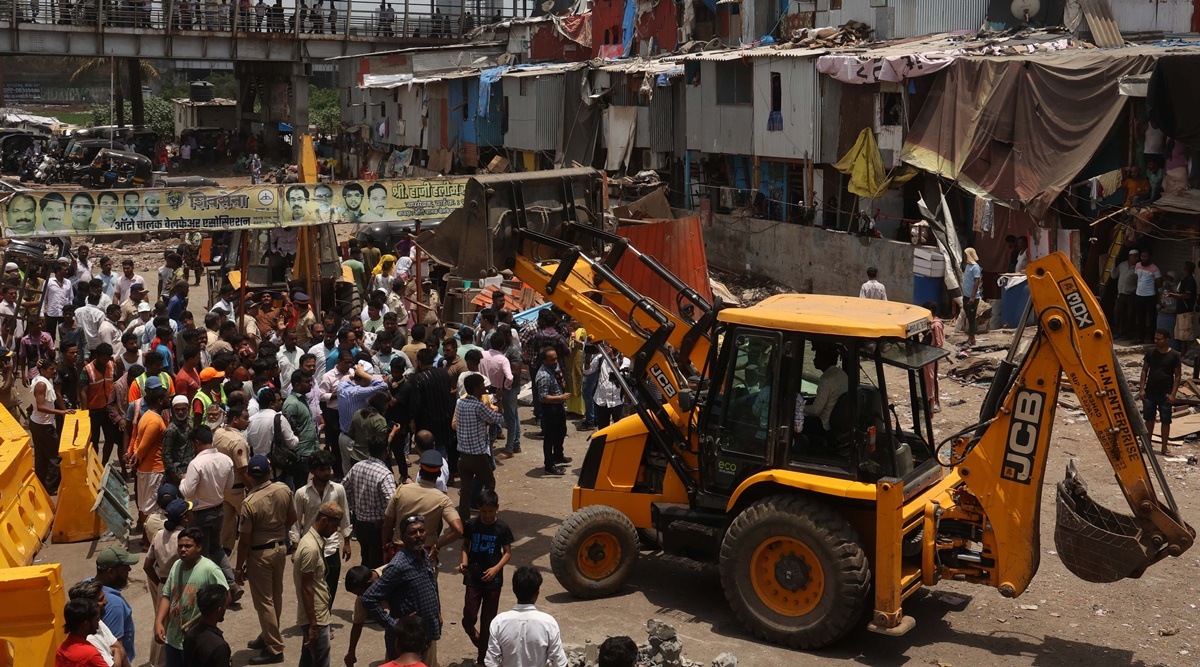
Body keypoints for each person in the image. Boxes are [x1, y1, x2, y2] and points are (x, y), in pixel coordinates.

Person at [236, 455, 295, 664]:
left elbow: (244, 541)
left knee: (264, 602)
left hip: (260, 554)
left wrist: (237, 568)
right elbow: (292, 518)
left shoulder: (249, 502)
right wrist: (278, 530)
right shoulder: (283, 489)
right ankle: (268, 635)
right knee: (275, 596)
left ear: (251, 476)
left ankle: (275, 648)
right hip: (279, 548)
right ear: (269, 472)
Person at [362, 515, 442, 665]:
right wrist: (393, 624)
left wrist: (437, 612)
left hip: (426, 634)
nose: (418, 535)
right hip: (406, 642)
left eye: (421, 531)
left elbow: (432, 585)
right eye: (413, 532)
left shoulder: (424, 556)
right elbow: (368, 598)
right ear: (402, 537)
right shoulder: (398, 565)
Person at [155, 528, 229, 667]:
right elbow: (167, 596)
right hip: (172, 638)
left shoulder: (210, 569)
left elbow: (225, 595)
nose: (183, 549)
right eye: (180, 546)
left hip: (194, 640)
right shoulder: (176, 565)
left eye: (188, 546)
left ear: (199, 547)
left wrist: (213, 618)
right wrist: (158, 622)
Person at [181, 424, 240, 593]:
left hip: (200, 514)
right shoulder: (225, 459)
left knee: (201, 554)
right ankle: (232, 585)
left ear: (197, 442)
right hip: (218, 510)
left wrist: (183, 480)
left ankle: (207, 591)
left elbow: (188, 491)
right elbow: (229, 486)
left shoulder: (196, 463)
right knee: (216, 549)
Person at [289, 449, 352, 604]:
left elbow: (345, 517)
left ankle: (325, 619)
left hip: (332, 546)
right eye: (322, 469)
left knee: (330, 587)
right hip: (310, 547)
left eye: (329, 468)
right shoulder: (301, 493)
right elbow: (296, 523)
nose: (327, 472)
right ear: (312, 471)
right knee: (310, 587)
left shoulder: (338, 490)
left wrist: (347, 543)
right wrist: (295, 548)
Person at [460, 490, 513, 666]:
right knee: (469, 614)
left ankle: (483, 660)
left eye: (491, 511)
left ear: (497, 508)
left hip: (493, 580)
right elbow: (465, 546)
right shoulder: (472, 525)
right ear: (479, 510)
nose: (487, 515)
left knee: (488, 621)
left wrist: (496, 569)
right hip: (473, 577)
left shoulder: (503, 528)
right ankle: (472, 633)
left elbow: (507, 553)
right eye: (484, 511)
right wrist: (463, 563)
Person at [382, 449, 463, 554]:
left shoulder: (401, 490)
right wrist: (438, 546)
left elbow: (387, 525)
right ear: (439, 473)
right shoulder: (443, 500)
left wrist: (385, 546)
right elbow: (458, 530)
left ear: (420, 470)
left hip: (399, 550)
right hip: (426, 553)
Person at [293, 501, 344, 667]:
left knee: (308, 661)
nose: (336, 530)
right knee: (321, 661)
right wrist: (314, 625)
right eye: (335, 526)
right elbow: (306, 589)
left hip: (318, 612)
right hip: (316, 617)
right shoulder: (310, 549)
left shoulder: (313, 542)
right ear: (324, 521)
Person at [485, 566, 567, 667]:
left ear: (514, 590)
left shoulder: (499, 622)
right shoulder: (549, 623)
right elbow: (560, 663)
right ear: (537, 592)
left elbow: (491, 663)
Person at [343, 436, 397, 570]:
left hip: (359, 523)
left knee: (366, 558)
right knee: (378, 565)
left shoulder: (357, 467)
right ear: (387, 450)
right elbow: (393, 502)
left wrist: (352, 506)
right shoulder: (385, 475)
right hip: (377, 528)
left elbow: (343, 488)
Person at [456, 373, 503, 519]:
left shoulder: (460, 402)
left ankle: (463, 520)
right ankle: (486, 513)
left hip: (463, 454)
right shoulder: (478, 406)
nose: (485, 386)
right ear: (476, 388)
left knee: (465, 489)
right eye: (482, 384)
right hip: (477, 455)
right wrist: (499, 400)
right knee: (490, 483)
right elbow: (498, 418)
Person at [91, 545, 138, 666]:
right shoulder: (113, 604)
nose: (129, 570)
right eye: (124, 568)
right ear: (111, 572)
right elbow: (115, 647)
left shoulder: (87, 584)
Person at [31, 356, 72, 493]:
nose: (54, 371)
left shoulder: (41, 379)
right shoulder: (41, 384)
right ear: (42, 370)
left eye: (54, 368)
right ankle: (51, 487)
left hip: (39, 423)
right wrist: (61, 411)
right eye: (51, 369)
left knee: (42, 454)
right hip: (43, 425)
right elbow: (40, 406)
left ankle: (41, 483)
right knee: (55, 455)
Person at [1140, 328, 1182, 456]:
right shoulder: (1151, 352)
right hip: (1150, 392)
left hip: (1165, 393)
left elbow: (1178, 376)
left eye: (1159, 339)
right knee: (1149, 419)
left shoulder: (1174, 355)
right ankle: (1146, 445)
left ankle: (1164, 447)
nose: (1156, 341)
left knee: (1165, 420)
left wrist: (1173, 394)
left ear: (1167, 340)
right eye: (1155, 338)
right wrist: (1142, 389)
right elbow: (1144, 371)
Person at [67, 580, 126, 667]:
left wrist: (117, 651)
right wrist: (117, 652)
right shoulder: (89, 639)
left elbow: (121, 650)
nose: (106, 601)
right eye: (101, 599)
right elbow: (118, 651)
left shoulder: (97, 622)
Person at [535, 347, 571, 475]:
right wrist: (560, 397)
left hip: (558, 406)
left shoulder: (553, 368)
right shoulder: (543, 375)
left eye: (556, 358)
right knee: (550, 437)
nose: (555, 361)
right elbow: (543, 397)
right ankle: (549, 465)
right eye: (552, 359)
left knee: (561, 431)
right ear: (544, 360)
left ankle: (558, 455)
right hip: (550, 409)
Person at [803, 345, 848, 442]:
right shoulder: (842, 374)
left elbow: (816, 410)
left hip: (824, 425)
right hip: (835, 421)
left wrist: (797, 409)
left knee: (792, 420)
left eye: (817, 357)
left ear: (825, 360)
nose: (814, 360)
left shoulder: (826, 380)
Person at [182, 584, 230, 667]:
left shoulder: (190, 633)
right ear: (219, 611)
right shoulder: (220, 647)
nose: (225, 609)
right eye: (225, 606)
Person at [57, 597, 109, 667]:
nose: (98, 622)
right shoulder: (91, 654)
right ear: (86, 624)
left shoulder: (61, 649)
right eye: (96, 619)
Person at [592, 344, 629, 429]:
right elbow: (587, 371)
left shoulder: (624, 360)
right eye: (608, 342)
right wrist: (588, 357)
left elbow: (622, 375)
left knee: (619, 429)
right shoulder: (600, 358)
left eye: (612, 343)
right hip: (601, 400)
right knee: (603, 429)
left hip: (617, 401)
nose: (609, 345)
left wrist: (612, 357)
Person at [921, 302, 945, 413]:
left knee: (932, 377)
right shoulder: (929, 323)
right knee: (926, 377)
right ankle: (928, 399)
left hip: (931, 354)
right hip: (926, 353)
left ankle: (936, 402)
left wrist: (932, 352)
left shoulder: (936, 325)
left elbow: (939, 343)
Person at [1135, 250, 1163, 343]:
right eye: (1142, 256)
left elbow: (1159, 283)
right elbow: (1137, 278)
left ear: (1149, 257)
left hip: (1150, 296)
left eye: (1145, 256)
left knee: (1151, 318)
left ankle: (1152, 338)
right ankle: (1140, 337)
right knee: (1140, 317)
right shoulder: (1138, 265)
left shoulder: (1154, 268)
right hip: (1139, 295)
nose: (1143, 258)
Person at [1114, 249, 1140, 341]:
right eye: (1134, 256)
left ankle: (1127, 334)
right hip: (1121, 294)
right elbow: (1114, 276)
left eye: (1137, 256)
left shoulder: (1137, 267)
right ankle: (1118, 333)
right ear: (1129, 256)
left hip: (1131, 294)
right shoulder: (1122, 265)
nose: (1136, 258)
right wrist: (1113, 264)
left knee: (1130, 314)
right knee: (1118, 313)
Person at [961, 248, 983, 347]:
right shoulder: (968, 266)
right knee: (969, 317)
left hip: (972, 297)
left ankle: (971, 338)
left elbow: (976, 281)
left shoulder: (975, 267)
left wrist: (972, 297)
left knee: (971, 318)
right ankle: (971, 337)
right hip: (966, 295)